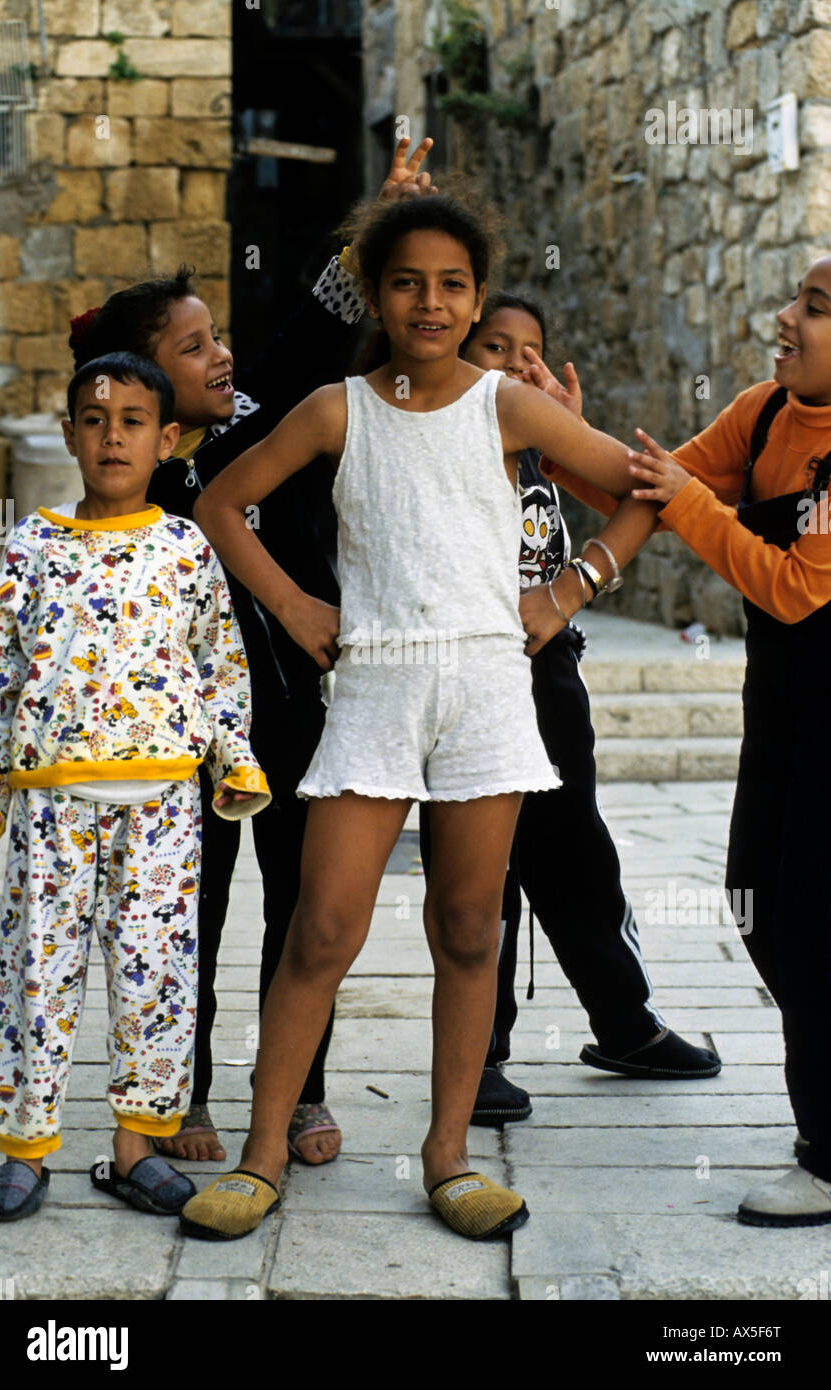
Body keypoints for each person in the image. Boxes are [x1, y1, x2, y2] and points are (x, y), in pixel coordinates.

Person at [180, 188, 661, 1242]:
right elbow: (221, 502)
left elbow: (646, 487)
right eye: (406, 282)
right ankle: (263, 1156)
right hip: (376, 687)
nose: (430, 304)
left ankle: (445, 1156)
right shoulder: (334, 408)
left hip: (487, 689)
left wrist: (567, 588)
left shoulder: (508, 406)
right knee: (319, 928)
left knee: (465, 927)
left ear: (476, 294)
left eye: (451, 285)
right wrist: (296, 601)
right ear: (375, 292)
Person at [67, 137, 438, 1166]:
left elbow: (310, 337)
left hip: (291, 719)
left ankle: (304, 1088)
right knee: (183, 914)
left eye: (215, 335)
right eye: (193, 348)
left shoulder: (255, 434)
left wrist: (379, 223)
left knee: (298, 907)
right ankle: (177, 1095)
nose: (219, 355)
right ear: (141, 378)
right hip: (177, 738)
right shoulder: (132, 482)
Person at [557, 255, 831, 1227]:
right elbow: (648, 484)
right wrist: (558, 434)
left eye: (813, 307)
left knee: (805, 917)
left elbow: (793, 584)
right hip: (781, 705)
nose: (784, 319)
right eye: (794, 299)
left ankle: (825, 1152)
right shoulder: (761, 414)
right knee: (755, 902)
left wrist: (683, 498)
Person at [0, 353, 269, 1223]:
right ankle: (26, 1150)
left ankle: (136, 1148)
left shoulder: (185, 548)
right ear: (69, 434)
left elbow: (220, 665)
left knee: (158, 978)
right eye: (94, 421)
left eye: (133, 421)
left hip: (162, 808)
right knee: (37, 972)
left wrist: (233, 755)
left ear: (166, 439)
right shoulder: (32, 543)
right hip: (53, 801)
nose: (113, 436)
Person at [446, 293, 720, 1126]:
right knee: (482, 871)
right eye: (494, 346)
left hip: (549, 672)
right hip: (468, 675)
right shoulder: (442, 435)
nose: (514, 364)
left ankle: (624, 1024)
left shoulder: (539, 444)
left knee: (578, 854)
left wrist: (576, 575)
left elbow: (649, 493)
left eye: (530, 351)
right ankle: (479, 1055)